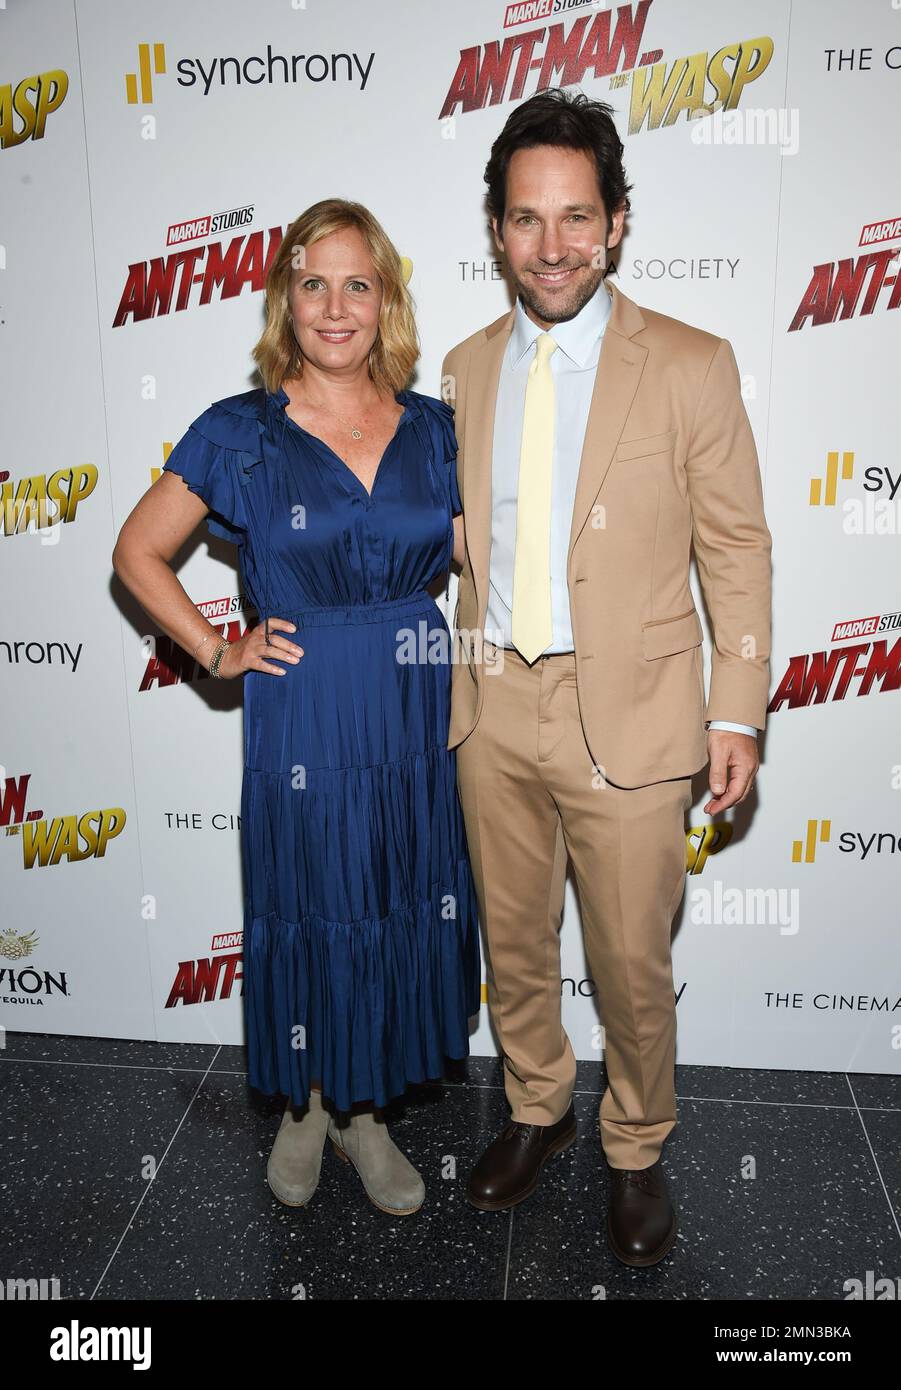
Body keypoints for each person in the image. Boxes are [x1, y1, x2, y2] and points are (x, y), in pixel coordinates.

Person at [441, 89, 772, 1265]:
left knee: (632, 957)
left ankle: (635, 1144)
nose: (552, 245)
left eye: (575, 216)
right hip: (490, 707)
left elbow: (734, 543)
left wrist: (737, 706)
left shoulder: (689, 361)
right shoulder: (467, 365)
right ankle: (538, 1107)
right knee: (513, 940)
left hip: (631, 711)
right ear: (496, 231)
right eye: (526, 220)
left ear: (617, 223)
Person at [113, 198, 481, 1217]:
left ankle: (369, 1111)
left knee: (397, 893)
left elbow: (487, 554)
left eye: (357, 283)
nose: (334, 305)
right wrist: (215, 650)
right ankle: (311, 1104)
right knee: (318, 899)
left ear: (386, 301)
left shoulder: (437, 427)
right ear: (286, 299)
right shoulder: (241, 432)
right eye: (312, 282)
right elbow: (136, 552)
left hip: (411, 698)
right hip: (306, 706)